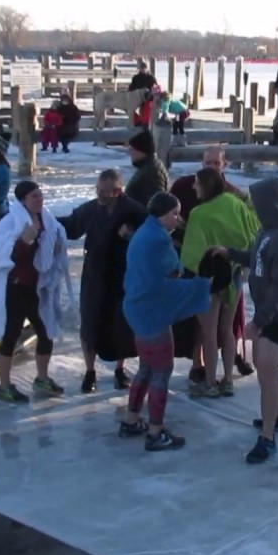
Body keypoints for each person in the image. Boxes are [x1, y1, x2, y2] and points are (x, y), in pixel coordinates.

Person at [118, 192, 214, 451]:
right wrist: (201, 285)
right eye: (174, 213)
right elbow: (175, 271)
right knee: (161, 371)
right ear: (161, 214)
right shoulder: (159, 239)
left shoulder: (143, 232)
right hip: (153, 314)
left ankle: (131, 419)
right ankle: (155, 432)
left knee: (146, 368)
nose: (177, 219)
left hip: (136, 310)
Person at [223, 178, 278, 464]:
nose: (254, 208)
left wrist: (259, 323)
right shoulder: (266, 231)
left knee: (266, 372)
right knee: (265, 367)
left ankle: (267, 438)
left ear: (270, 205)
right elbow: (257, 259)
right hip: (269, 313)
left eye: (257, 204)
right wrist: (231, 254)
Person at [169, 147, 254, 384]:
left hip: (208, 279)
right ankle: (227, 379)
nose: (194, 188)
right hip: (233, 273)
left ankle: (209, 382)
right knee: (227, 331)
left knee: (208, 332)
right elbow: (252, 229)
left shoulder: (199, 213)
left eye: (197, 185)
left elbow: (192, 254)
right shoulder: (235, 203)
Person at [0, 181, 71, 404]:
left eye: (40, 196)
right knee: (10, 336)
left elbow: (55, 242)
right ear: (23, 201)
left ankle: (42, 377)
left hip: (38, 288)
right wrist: (24, 241)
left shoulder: (47, 220)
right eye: (34, 197)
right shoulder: (11, 222)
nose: (39, 200)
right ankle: (4, 386)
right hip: (15, 288)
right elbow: (0, 256)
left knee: (46, 331)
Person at [58, 169, 145, 393]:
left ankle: (119, 369)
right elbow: (71, 226)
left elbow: (151, 233)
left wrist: (131, 234)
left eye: (106, 192)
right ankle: (90, 372)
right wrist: (44, 221)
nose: (101, 196)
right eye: (98, 190)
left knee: (121, 324)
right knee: (90, 322)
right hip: (95, 273)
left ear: (118, 191)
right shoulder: (91, 209)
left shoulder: (132, 209)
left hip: (121, 273)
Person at [124, 130, 167, 206]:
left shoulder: (151, 172)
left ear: (141, 151)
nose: (130, 153)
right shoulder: (147, 167)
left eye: (131, 149)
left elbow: (157, 204)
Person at [128, 58, 159, 129]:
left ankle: (145, 124)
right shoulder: (136, 78)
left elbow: (156, 88)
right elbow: (131, 88)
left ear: (147, 68)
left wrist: (154, 96)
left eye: (145, 68)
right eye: (142, 68)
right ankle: (138, 121)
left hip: (147, 98)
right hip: (137, 98)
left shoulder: (151, 78)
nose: (143, 69)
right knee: (129, 109)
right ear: (140, 68)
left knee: (146, 109)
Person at [54, 90, 81, 154]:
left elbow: (77, 116)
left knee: (69, 133)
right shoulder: (59, 107)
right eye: (63, 100)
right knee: (61, 133)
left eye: (66, 100)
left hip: (71, 125)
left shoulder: (73, 107)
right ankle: (64, 146)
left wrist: (71, 120)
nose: (65, 101)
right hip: (61, 125)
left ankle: (65, 146)